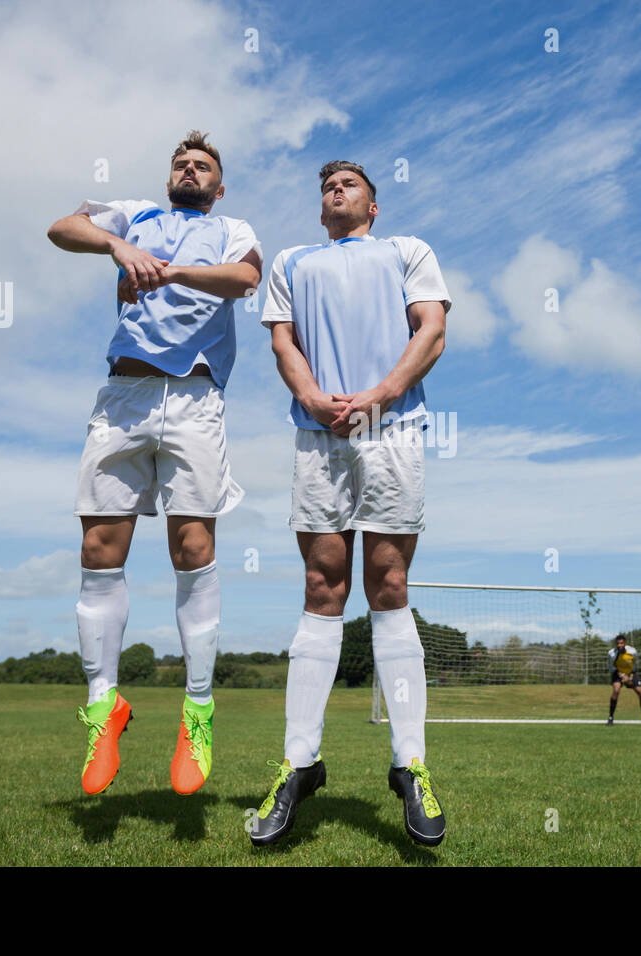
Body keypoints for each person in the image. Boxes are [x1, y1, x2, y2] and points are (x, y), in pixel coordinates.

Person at [46, 131, 262, 796]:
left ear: (218, 187)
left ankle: (197, 710)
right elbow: (61, 228)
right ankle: (102, 706)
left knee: (192, 547)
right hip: (123, 397)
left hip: (195, 399)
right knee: (98, 547)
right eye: (181, 163)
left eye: (202, 166)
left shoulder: (231, 228)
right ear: (169, 176)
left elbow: (246, 279)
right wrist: (117, 245)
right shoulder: (136, 212)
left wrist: (169, 272)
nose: (189, 169)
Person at [249, 160, 450, 847]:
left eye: (349, 185)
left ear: (373, 205)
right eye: (326, 187)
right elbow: (282, 339)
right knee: (320, 586)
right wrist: (309, 396)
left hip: (390, 431)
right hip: (318, 437)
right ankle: (299, 763)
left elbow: (431, 330)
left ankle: (410, 766)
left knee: (389, 585)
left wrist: (381, 393)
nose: (335, 192)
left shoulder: (407, 251)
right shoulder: (292, 261)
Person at [608, 633, 641, 726]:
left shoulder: (633, 652)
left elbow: (635, 664)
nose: (620, 645)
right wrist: (622, 675)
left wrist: (630, 676)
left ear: (625, 643)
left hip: (631, 673)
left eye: (621, 643)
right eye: (618, 643)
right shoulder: (611, 654)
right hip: (618, 673)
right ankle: (610, 718)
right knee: (616, 690)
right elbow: (610, 667)